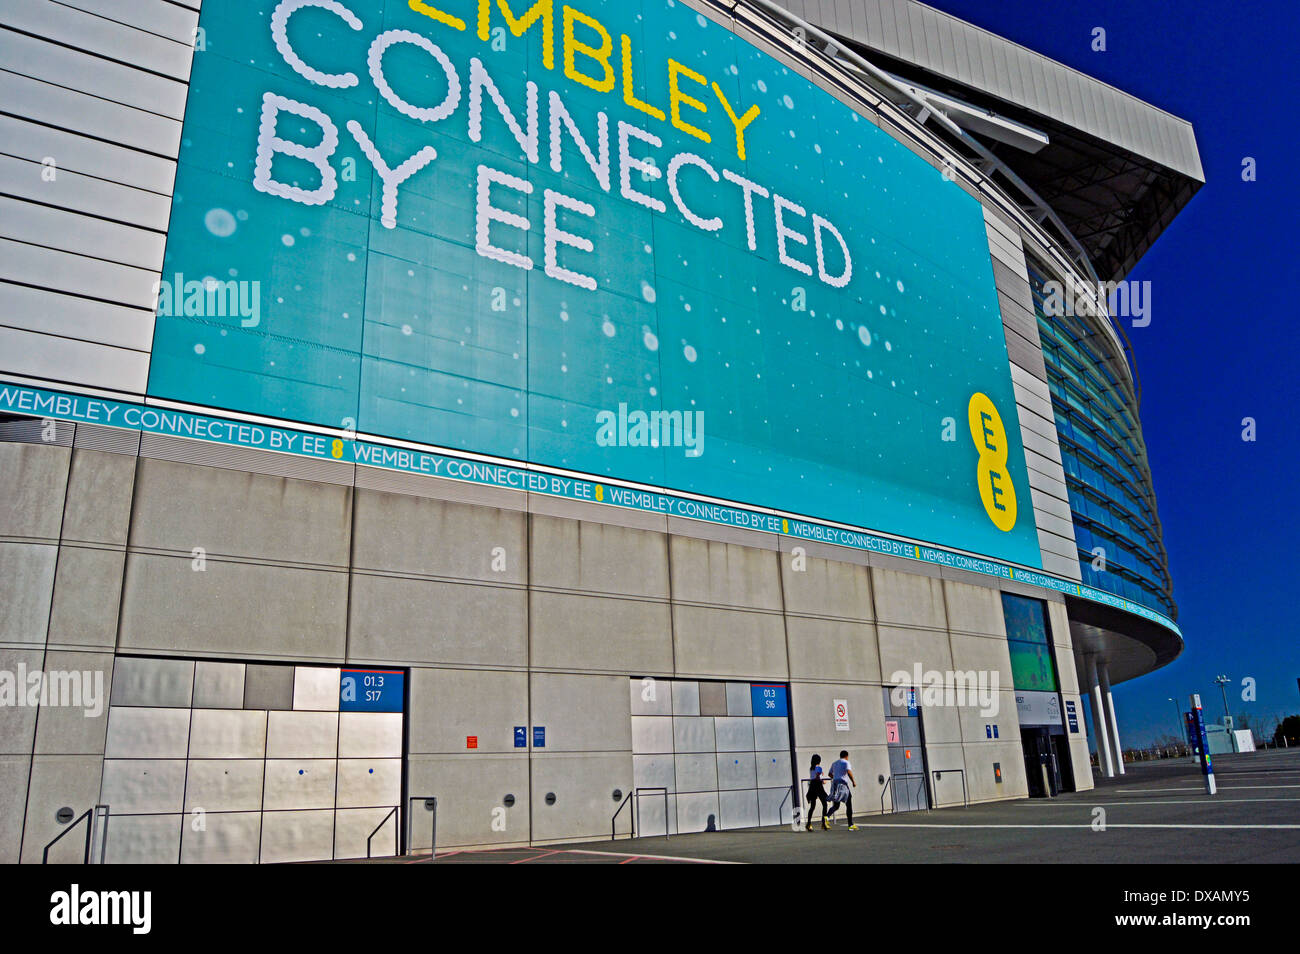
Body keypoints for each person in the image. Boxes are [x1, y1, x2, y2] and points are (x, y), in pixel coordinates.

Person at [826, 750, 857, 830]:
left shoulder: (834, 763)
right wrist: (853, 781)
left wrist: (835, 777)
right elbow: (849, 772)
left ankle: (826, 816)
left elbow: (829, 774)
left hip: (835, 785)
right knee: (849, 803)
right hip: (843, 785)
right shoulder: (846, 762)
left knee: (836, 805)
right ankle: (850, 824)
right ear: (846, 756)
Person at [805, 754, 830, 830]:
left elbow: (814, 777)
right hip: (818, 787)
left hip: (812, 787)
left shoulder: (811, 768)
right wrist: (823, 780)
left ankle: (809, 824)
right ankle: (823, 823)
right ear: (819, 761)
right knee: (825, 804)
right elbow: (818, 777)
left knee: (812, 806)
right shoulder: (819, 768)